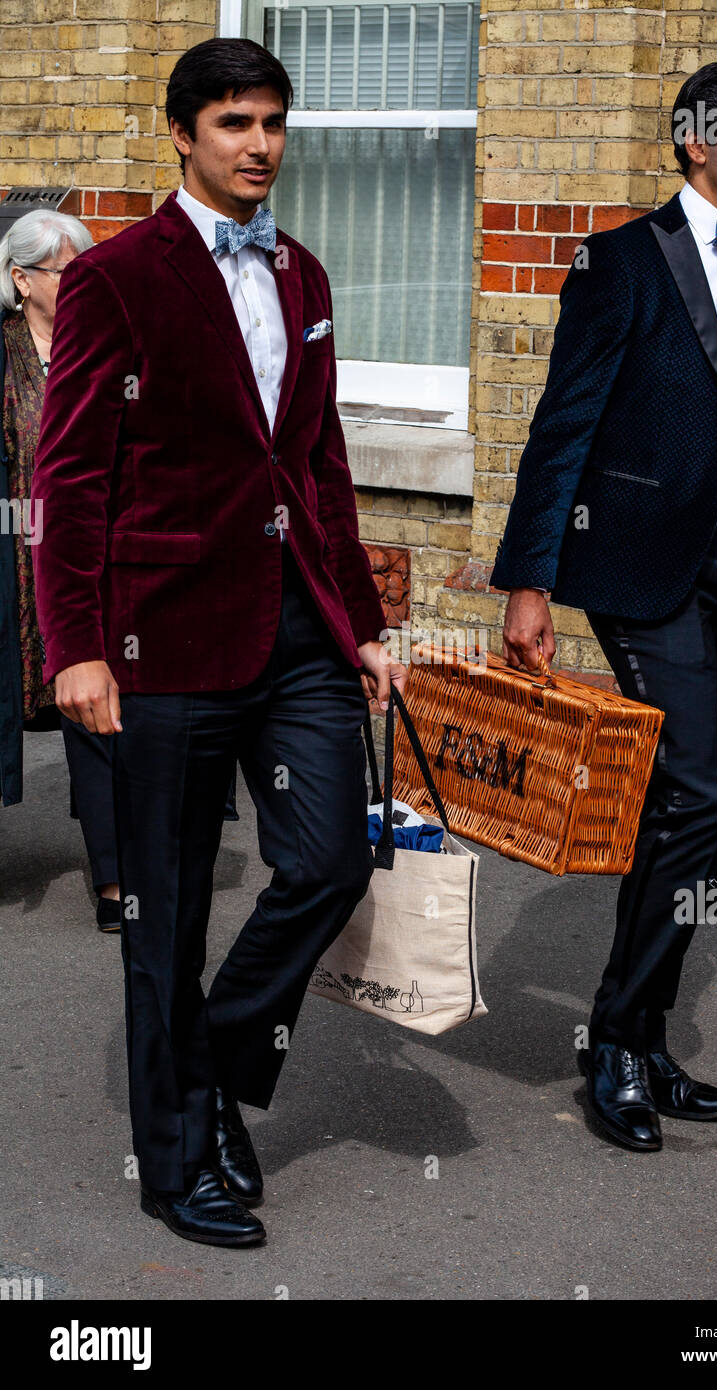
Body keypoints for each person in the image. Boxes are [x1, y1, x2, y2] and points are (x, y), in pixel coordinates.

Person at [32, 37, 406, 1246]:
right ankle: (177, 1157)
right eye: (236, 124)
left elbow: (320, 461)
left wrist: (361, 624)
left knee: (330, 862)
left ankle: (216, 1063)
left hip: (297, 623)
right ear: (183, 133)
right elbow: (73, 472)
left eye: (274, 124)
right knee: (168, 914)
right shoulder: (119, 277)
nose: (260, 146)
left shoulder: (302, 272)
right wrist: (74, 644)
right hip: (161, 640)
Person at [490, 61, 717, 1154]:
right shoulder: (618, 262)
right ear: (691, 142)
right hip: (645, 557)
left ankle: (644, 1038)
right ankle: (612, 1039)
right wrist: (530, 577)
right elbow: (561, 425)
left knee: (683, 807)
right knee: (706, 791)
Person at [0, 208, 125, 931]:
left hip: (96, 559)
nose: (85, 277)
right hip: (12, 561)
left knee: (101, 710)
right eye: (68, 268)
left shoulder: (108, 346)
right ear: (22, 280)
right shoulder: (5, 354)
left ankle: (114, 880)